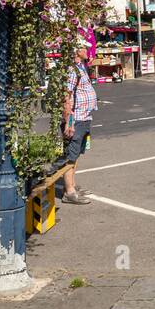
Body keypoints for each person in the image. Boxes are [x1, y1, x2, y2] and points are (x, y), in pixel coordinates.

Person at [61, 39, 98, 205]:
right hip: (76, 119)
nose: (87, 51)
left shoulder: (81, 67)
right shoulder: (71, 70)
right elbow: (66, 96)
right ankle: (69, 192)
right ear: (76, 51)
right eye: (84, 48)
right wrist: (69, 122)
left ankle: (73, 186)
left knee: (77, 154)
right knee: (71, 155)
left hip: (84, 117)